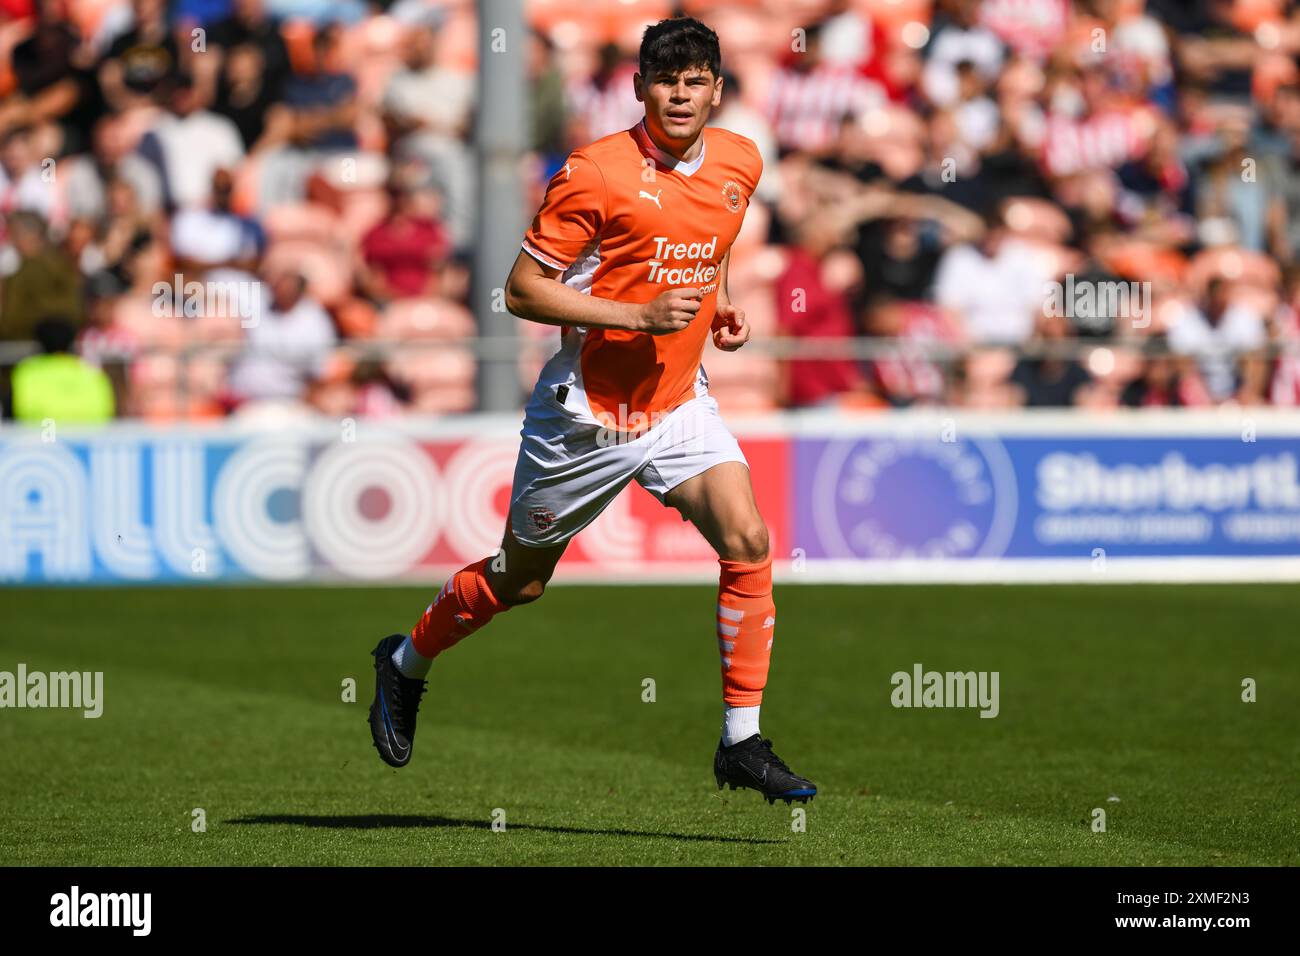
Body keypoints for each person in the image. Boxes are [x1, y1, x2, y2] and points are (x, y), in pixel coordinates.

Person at [367, 16, 816, 805]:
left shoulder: (741, 160)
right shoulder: (596, 171)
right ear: (639, 87)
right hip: (586, 415)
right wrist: (638, 317)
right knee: (518, 581)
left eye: (694, 82)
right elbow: (519, 290)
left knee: (748, 539)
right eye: (664, 82)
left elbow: (702, 256)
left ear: (716, 89)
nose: (679, 96)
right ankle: (406, 661)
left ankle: (740, 741)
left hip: (677, 403)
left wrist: (721, 310)